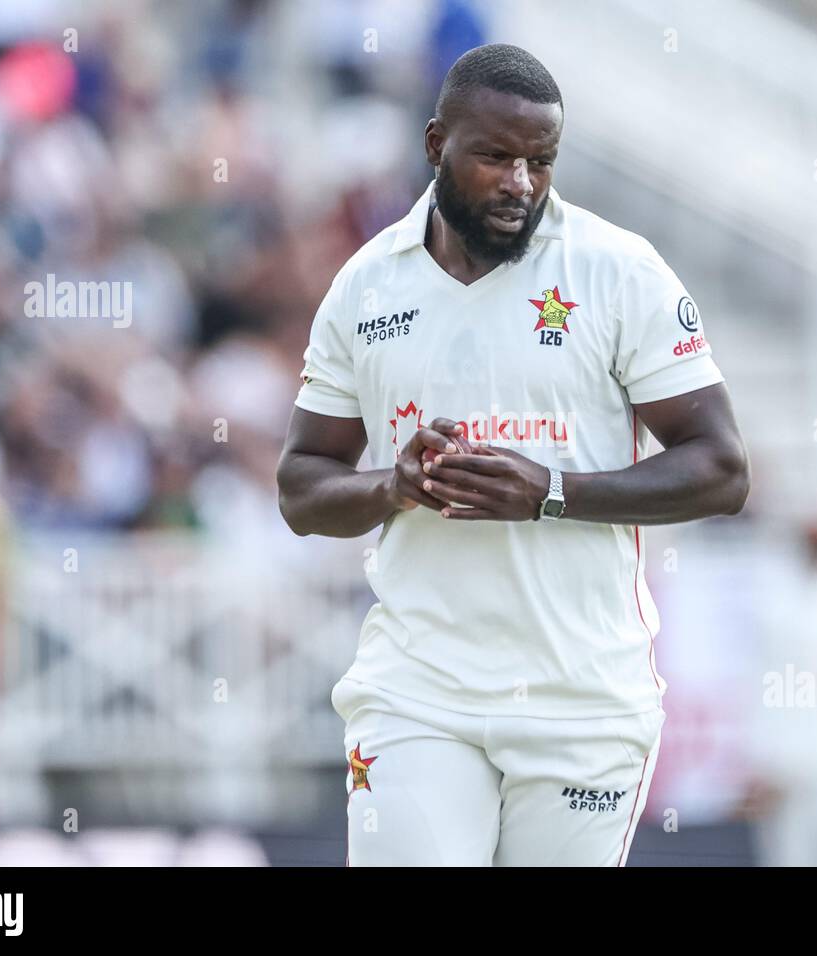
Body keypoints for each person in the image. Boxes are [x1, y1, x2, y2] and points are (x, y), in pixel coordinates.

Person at [276, 43, 749, 866]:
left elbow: (722, 468)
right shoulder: (366, 286)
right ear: (435, 147)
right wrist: (396, 484)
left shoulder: (618, 270)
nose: (520, 184)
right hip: (418, 692)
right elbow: (300, 487)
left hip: (582, 700)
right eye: (495, 157)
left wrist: (552, 491)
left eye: (541, 160)